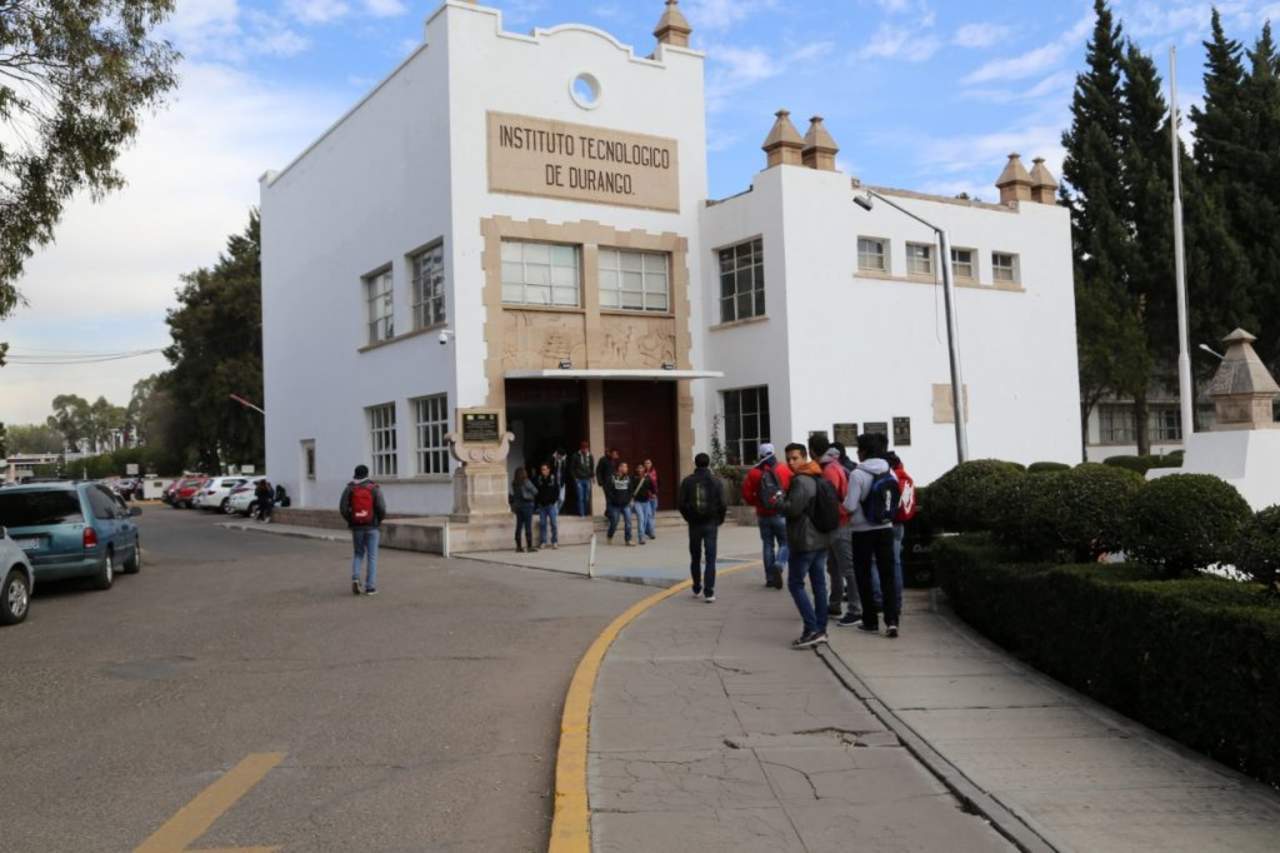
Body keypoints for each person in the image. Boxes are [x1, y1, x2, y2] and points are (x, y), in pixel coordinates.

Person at [842, 433, 901, 637]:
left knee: (864, 576)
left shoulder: (857, 474)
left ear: (865, 451)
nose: (857, 452)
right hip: (885, 528)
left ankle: (870, 621)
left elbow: (850, 505)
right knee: (888, 575)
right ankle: (892, 621)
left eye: (859, 449)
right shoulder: (890, 471)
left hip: (862, 531)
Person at [782, 443, 834, 648]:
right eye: (788, 459)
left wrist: (777, 502)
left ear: (804, 457)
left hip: (805, 540)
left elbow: (793, 509)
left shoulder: (801, 480)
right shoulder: (817, 475)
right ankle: (821, 629)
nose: (791, 462)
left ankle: (812, 628)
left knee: (795, 583)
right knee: (819, 584)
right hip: (821, 538)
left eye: (795, 458)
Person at [810, 435, 851, 618]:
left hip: (838, 524)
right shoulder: (835, 465)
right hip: (839, 523)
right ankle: (834, 604)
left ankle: (855, 609)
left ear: (811, 451)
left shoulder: (828, 470)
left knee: (846, 569)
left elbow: (829, 501)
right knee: (834, 568)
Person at [677, 453, 727, 602]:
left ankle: (697, 586)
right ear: (708, 463)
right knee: (711, 558)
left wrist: (688, 517)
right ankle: (709, 591)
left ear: (695, 463)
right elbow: (723, 504)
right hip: (711, 523)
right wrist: (720, 519)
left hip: (694, 524)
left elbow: (681, 503)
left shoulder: (687, 482)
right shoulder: (716, 481)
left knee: (695, 556)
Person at [741, 442, 791, 589]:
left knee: (767, 545)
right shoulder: (784, 469)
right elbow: (791, 488)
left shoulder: (754, 472)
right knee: (786, 542)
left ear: (760, 454)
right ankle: (779, 564)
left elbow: (747, 495)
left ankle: (769, 578)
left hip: (763, 514)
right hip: (780, 513)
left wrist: (758, 503)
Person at [340, 465, 387, 596]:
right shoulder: (373, 488)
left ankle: (355, 577)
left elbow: (343, 508)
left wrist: (351, 520)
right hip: (372, 527)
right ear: (367, 474)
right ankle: (370, 587)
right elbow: (381, 508)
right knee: (372, 556)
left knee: (358, 553)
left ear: (355, 474)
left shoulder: (349, 488)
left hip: (357, 527)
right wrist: (378, 520)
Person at [604, 460, 637, 545]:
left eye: (626, 467)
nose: (626, 468)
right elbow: (607, 490)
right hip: (614, 505)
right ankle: (610, 535)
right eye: (625, 466)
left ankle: (628, 540)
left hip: (626, 504)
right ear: (620, 468)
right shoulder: (612, 477)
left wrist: (629, 500)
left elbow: (630, 490)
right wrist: (613, 499)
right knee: (615, 522)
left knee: (628, 522)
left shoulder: (628, 478)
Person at [533, 462, 560, 550]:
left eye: (544, 469)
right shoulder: (539, 479)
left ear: (548, 470)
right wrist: (538, 502)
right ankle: (543, 542)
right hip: (542, 506)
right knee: (542, 524)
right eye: (542, 469)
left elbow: (557, 491)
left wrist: (553, 500)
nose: (543, 471)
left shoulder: (553, 478)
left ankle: (554, 541)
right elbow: (536, 491)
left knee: (553, 523)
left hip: (551, 505)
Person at [510, 467, 537, 553]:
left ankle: (518, 546)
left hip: (518, 506)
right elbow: (535, 491)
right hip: (527, 505)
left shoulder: (514, 483)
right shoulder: (526, 481)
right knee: (528, 526)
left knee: (519, 526)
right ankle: (529, 546)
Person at [628, 462, 653, 546]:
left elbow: (652, 488)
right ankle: (641, 537)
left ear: (644, 469)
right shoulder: (633, 478)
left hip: (646, 502)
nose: (640, 469)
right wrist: (631, 498)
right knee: (641, 519)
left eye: (641, 468)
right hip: (637, 502)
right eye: (638, 468)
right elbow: (630, 489)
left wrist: (653, 494)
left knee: (645, 519)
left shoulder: (647, 478)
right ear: (636, 469)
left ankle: (645, 532)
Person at [570, 441, 595, 517]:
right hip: (579, 480)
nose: (585, 450)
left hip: (587, 479)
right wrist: (575, 478)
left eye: (586, 448)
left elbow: (591, 467)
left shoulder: (590, 456)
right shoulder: (575, 456)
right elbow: (572, 468)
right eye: (583, 448)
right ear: (581, 448)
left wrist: (593, 476)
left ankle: (585, 511)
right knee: (580, 497)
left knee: (586, 498)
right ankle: (582, 513)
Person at [643, 459, 659, 540]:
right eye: (645, 463)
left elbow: (657, 483)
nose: (647, 464)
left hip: (654, 496)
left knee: (652, 515)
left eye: (648, 463)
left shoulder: (655, 472)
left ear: (651, 464)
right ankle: (651, 532)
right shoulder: (642, 473)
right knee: (648, 515)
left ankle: (648, 531)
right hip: (646, 497)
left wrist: (655, 493)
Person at [552, 448, 568, 512]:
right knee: (555, 498)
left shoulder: (565, 460)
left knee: (562, 499)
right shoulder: (553, 459)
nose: (560, 457)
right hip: (554, 482)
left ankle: (556, 511)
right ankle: (555, 513)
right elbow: (549, 466)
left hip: (562, 482)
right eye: (559, 455)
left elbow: (566, 469)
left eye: (561, 456)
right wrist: (555, 459)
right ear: (557, 454)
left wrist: (563, 460)